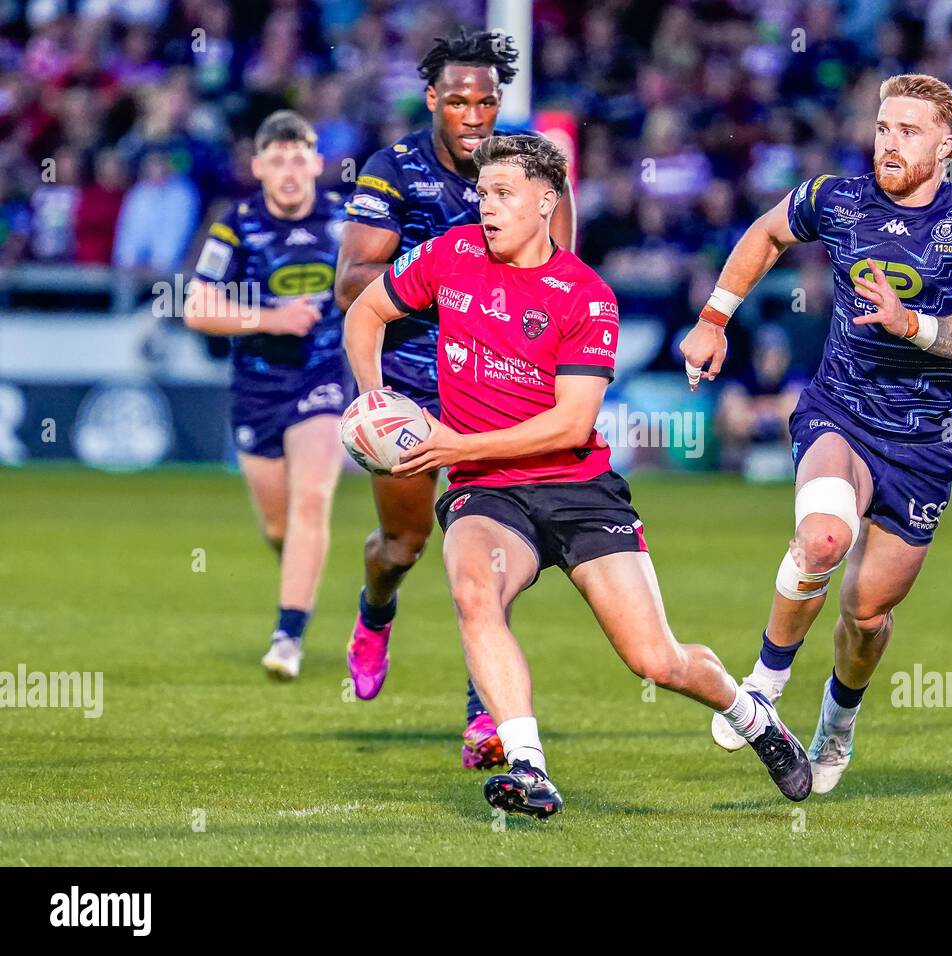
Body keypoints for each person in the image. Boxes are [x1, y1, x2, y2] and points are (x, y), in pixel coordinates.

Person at [343, 134, 811, 817]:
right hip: (486, 489)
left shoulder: (585, 296)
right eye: (481, 194)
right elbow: (366, 312)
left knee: (656, 660)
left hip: (579, 489)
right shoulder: (451, 254)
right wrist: (372, 401)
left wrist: (450, 441)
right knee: (475, 593)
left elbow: (569, 424)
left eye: (503, 195)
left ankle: (752, 716)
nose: (487, 207)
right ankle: (526, 765)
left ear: (545, 200)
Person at [681, 74, 952, 794]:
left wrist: (911, 324)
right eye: (884, 127)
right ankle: (765, 684)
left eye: (910, 131)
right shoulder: (837, 197)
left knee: (867, 618)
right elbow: (768, 231)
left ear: (949, 144)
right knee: (824, 538)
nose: (890, 143)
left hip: (920, 443)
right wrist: (715, 318)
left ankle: (838, 722)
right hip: (840, 409)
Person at [334, 29, 576, 770]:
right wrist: (443, 277)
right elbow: (350, 281)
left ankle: (486, 716)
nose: (474, 115)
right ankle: (376, 608)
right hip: (410, 385)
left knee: (487, 561)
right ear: (433, 100)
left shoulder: (530, 166)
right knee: (404, 545)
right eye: (459, 101)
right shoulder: (395, 168)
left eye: (487, 101)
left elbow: (561, 271)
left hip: (496, 388)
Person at [184, 110, 348, 678]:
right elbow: (197, 308)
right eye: (276, 159)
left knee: (312, 502)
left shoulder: (345, 223)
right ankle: (298, 576)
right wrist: (270, 320)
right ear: (257, 166)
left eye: (299, 158)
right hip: (256, 386)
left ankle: (288, 636)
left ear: (316, 164)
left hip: (323, 377)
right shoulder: (237, 227)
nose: (289, 170)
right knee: (279, 526)